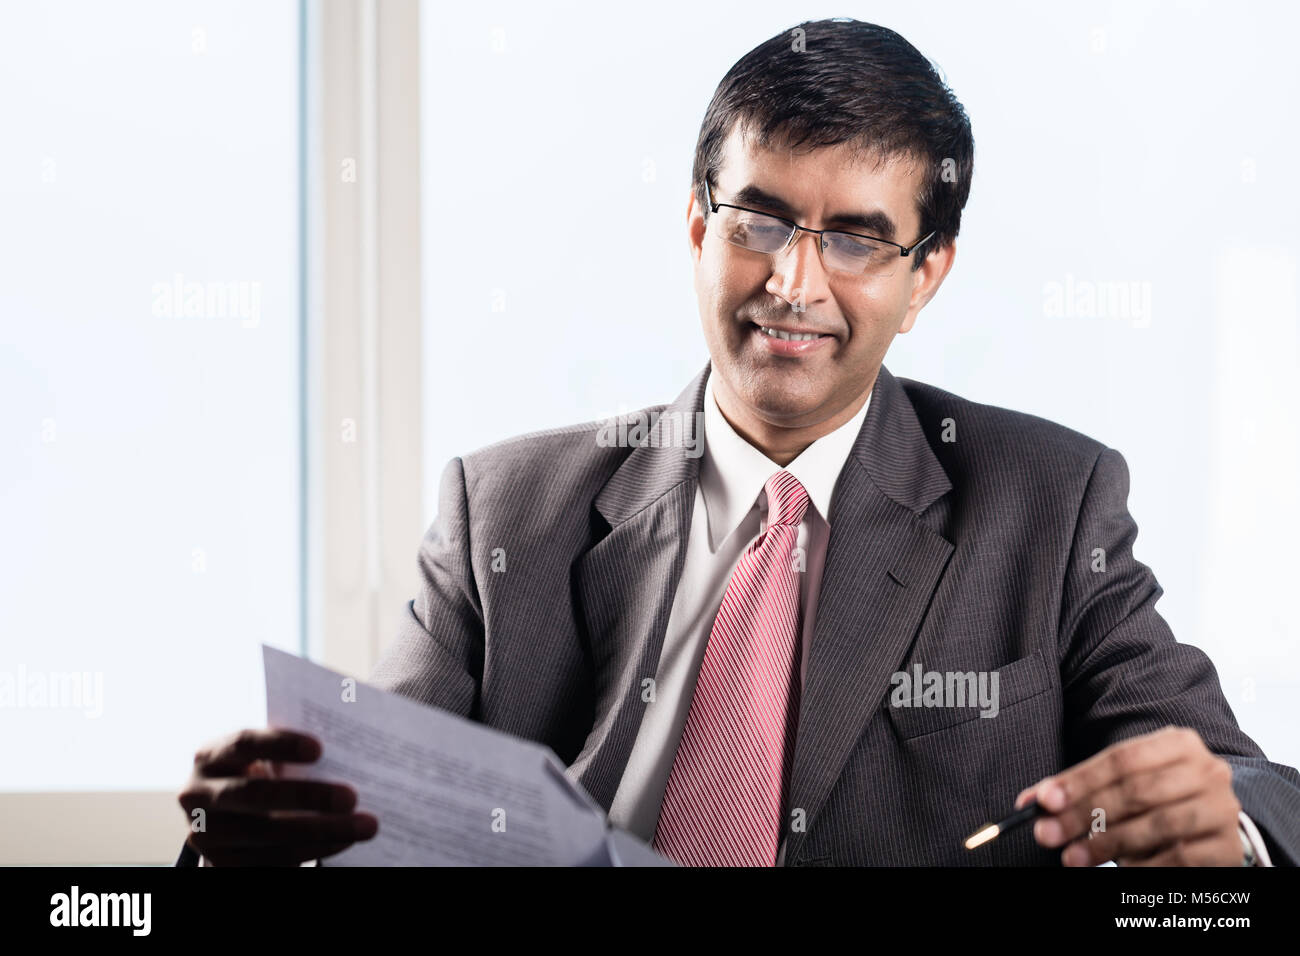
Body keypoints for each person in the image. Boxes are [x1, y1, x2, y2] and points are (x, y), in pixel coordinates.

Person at [177, 18, 1299, 867]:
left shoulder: (1047, 503)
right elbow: (374, 814)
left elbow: (1251, 783)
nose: (791, 282)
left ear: (926, 278)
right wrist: (269, 832)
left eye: (857, 239)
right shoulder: (504, 509)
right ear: (695, 225)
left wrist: (1229, 824)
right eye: (757, 219)